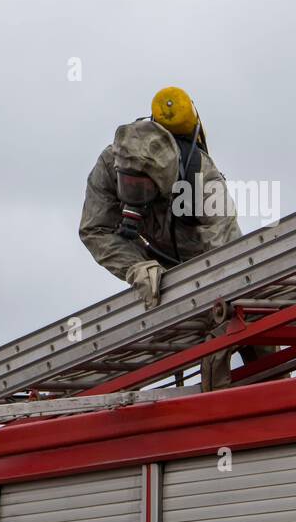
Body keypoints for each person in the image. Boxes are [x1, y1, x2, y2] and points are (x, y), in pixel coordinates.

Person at [79, 87, 240, 389]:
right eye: (129, 186)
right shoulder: (109, 165)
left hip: (207, 257)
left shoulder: (203, 181)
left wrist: (209, 298)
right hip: (154, 256)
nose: (135, 195)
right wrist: (136, 266)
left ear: (165, 183)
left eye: (143, 189)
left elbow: (224, 255)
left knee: (235, 321)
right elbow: (95, 229)